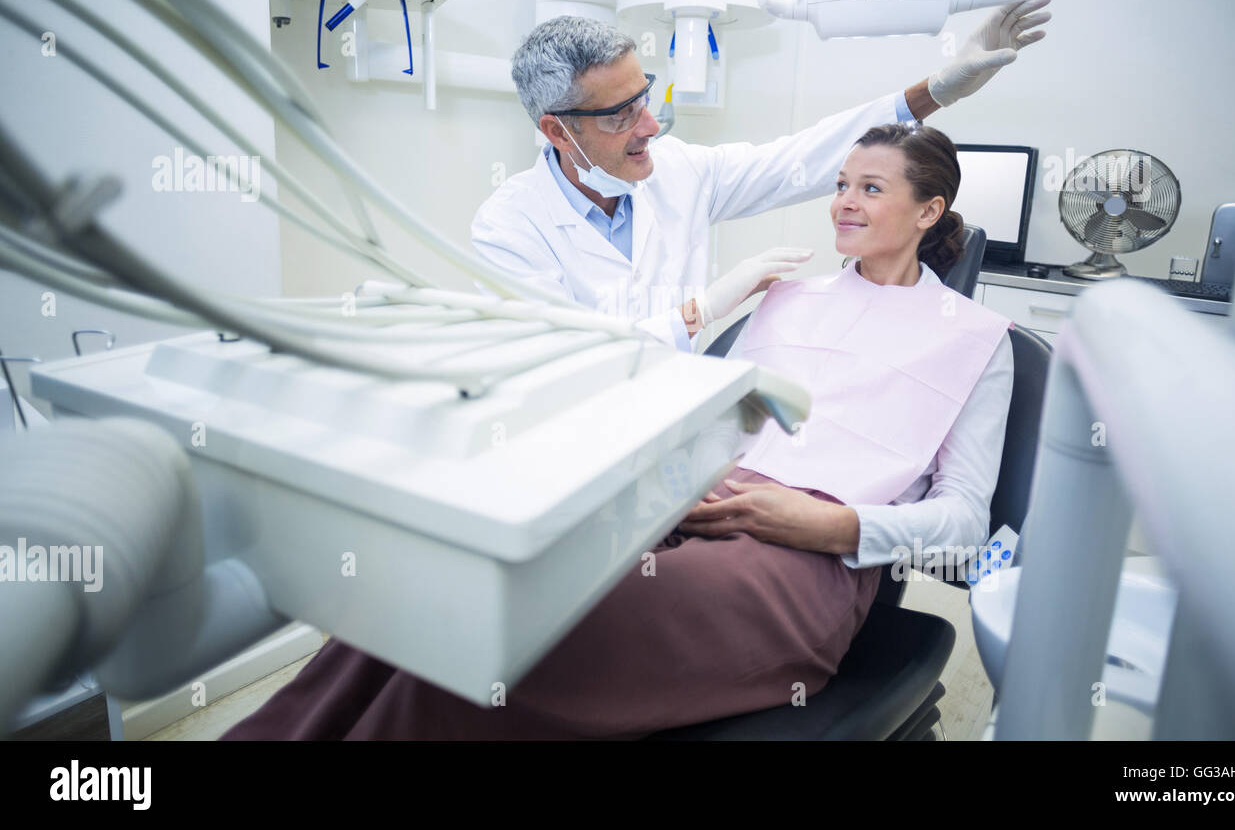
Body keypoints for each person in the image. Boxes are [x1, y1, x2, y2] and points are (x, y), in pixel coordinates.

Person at [220, 123, 1013, 740]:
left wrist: (833, 526)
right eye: (840, 185)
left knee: (516, 645)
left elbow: (965, 522)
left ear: (929, 210)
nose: (843, 201)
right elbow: (700, 413)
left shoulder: (977, 340)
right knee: (436, 597)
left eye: (870, 188)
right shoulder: (786, 299)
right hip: (682, 499)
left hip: (804, 558)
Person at [471, 0, 1049, 349]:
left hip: (677, 424)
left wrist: (936, 91)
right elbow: (564, 367)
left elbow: (799, 160)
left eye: (644, 97)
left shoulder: (678, 170)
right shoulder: (510, 228)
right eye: (621, 115)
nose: (650, 125)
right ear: (557, 131)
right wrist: (698, 313)